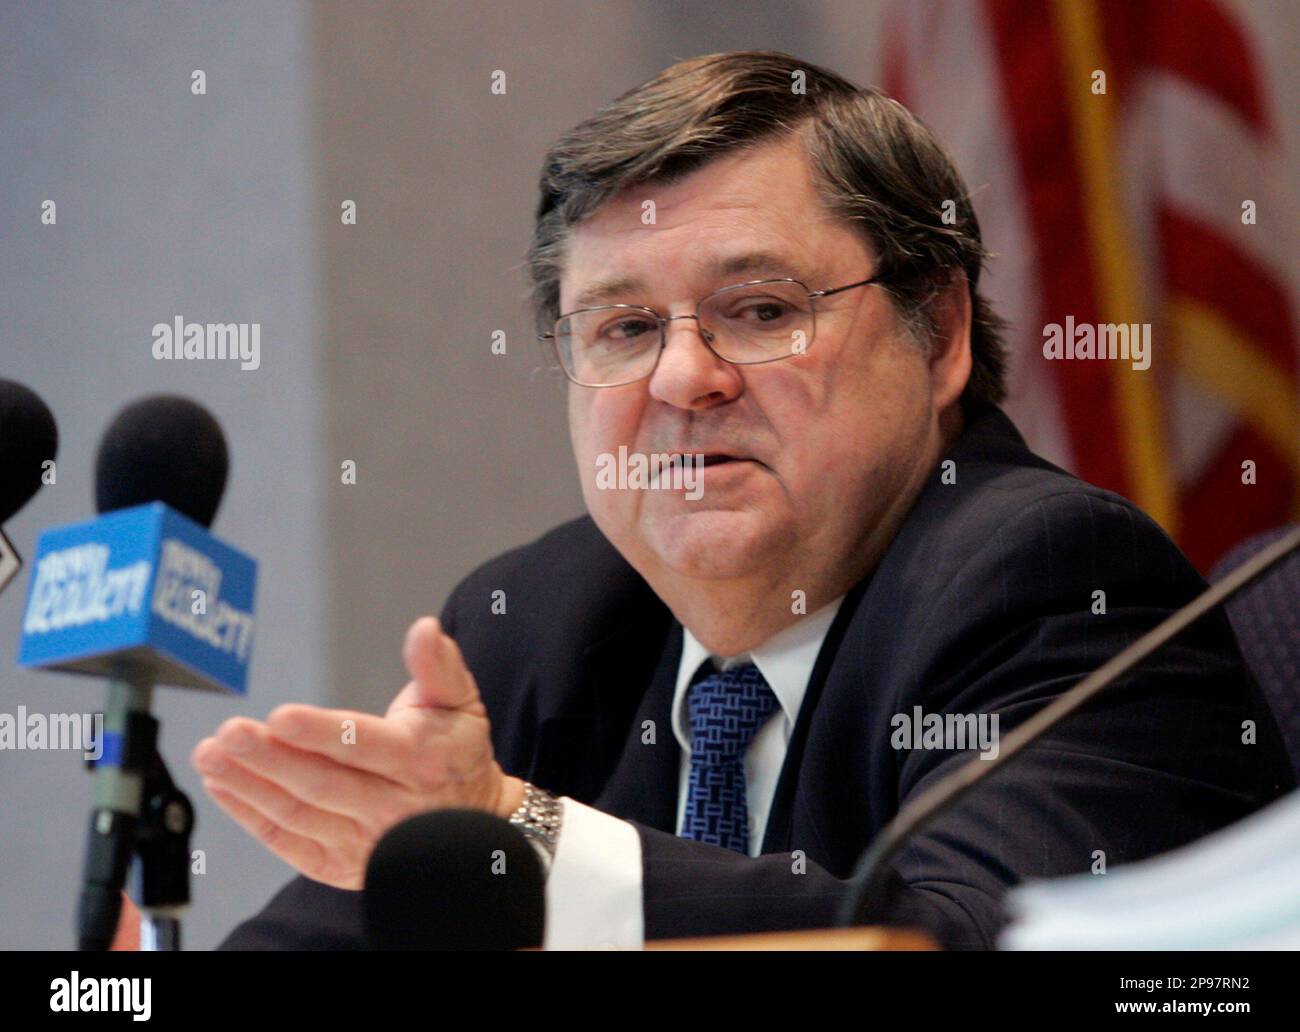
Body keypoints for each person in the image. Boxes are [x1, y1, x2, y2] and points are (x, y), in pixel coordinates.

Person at [196, 51, 1293, 951]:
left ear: (942, 334)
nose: (683, 378)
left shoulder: (1049, 578)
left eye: (761, 310)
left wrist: (514, 840)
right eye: (624, 330)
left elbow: (973, 945)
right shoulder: (541, 618)